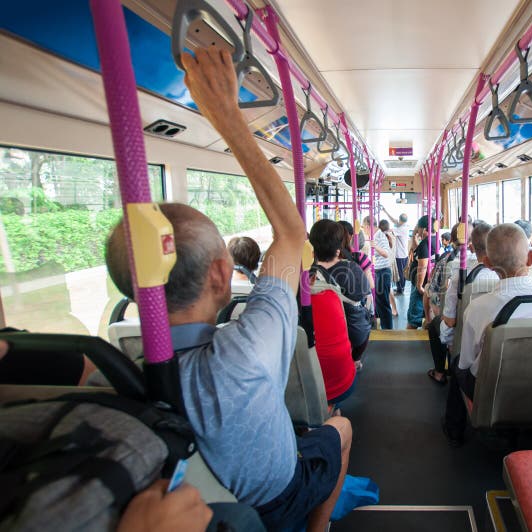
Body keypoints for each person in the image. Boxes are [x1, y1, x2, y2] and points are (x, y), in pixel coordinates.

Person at [106, 48, 351, 532]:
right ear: (222, 275)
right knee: (340, 429)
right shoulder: (246, 346)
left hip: (200, 505)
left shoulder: (114, 371)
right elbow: (289, 235)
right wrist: (226, 116)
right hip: (276, 496)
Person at [442, 224, 532, 445]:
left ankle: (454, 430)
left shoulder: (479, 307)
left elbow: (467, 362)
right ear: (530, 258)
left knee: (457, 365)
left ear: (487, 264)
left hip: (494, 388)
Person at [427, 222, 496, 385]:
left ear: (472, 247)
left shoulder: (461, 274)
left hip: (466, 343)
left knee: (435, 325)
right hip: (495, 347)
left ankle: (439, 372)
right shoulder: (503, 275)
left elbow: (450, 321)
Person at [310, 219, 372, 362]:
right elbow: (366, 295)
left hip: (317, 340)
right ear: (339, 246)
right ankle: (356, 360)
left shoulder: (306, 276)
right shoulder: (352, 269)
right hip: (353, 333)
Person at [406, 215, 431, 329]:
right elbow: (417, 252)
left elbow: (423, 266)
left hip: (420, 283)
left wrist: (419, 285)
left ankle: (410, 345)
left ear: (424, 229)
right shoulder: (432, 241)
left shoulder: (425, 243)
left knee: (413, 319)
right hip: (427, 282)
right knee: (425, 315)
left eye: (419, 228)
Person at [381, 207, 411, 294]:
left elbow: (389, 231)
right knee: (401, 272)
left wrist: (380, 229)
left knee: (400, 272)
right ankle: (400, 288)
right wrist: (385, 211)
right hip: (403, 254)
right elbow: (394, 220)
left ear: (401, 220)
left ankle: (400, 289)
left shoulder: (402, 229)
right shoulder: (403, 225)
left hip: (400, 255)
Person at [372, 219, 394, 329]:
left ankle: (388, 330)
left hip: (382, 272)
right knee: (380, 301)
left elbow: (385, 253)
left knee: (383, 302)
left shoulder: (379, 236)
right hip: (380, 271)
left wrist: (374, 246)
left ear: (368, 226)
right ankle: (385, 327)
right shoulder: (378, 235)